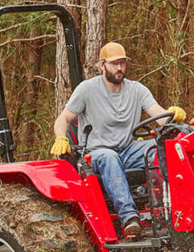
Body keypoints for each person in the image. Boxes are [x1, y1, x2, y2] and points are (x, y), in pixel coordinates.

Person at [49, 42, 185, 239]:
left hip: (128, 150)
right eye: (114, 64)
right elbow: (63, 119)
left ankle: (173, 210)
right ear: (102, 65)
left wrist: (173, 115)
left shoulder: (136, 90)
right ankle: (130, 219)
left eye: (122, 63)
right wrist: (61, 137)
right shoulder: (87, 89)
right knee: (109, 157)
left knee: (163, 148)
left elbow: (159, 116)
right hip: (96, 153)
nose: (119, 68)